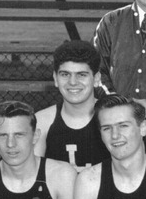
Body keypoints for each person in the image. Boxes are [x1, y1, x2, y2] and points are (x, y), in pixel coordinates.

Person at [35, 40, 108, 170]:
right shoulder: (42, 122)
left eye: (81, 75)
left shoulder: (113, 118)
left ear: (96, 79)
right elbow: (33, 178)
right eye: (65, 74)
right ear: (56, 79)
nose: (73, 82)